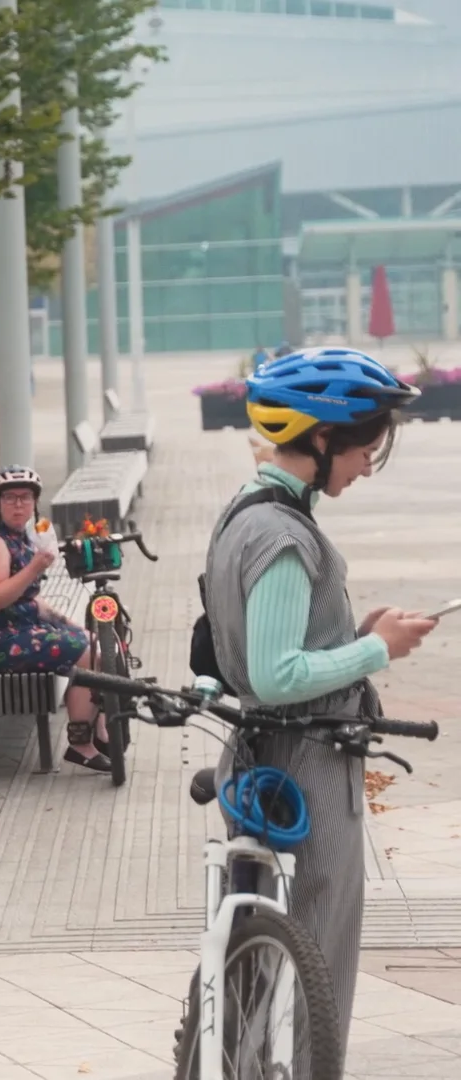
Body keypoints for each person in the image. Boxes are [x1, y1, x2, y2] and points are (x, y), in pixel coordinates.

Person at [203, 346, 433, 1048]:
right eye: (366, 448)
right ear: (322, 438)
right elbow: (274, 675)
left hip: (267, 756)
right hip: (306, 760)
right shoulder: (282, 534)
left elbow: (272, 646)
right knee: (320, 949)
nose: (368, 464)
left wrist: (349, 635)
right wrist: (377, 650)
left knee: (261, 949)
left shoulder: (248, 509)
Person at [0, 466, 111, 772]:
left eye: (25, 498)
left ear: (35, 503)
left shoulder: (21, 538)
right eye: (10, 498)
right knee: (85, 652)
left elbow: (30, 600)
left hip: (21, 630)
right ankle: (81, 743)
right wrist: (35, 566)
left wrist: (68, 622)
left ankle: (98, 729)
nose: (18, 504)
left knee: (93, 641)